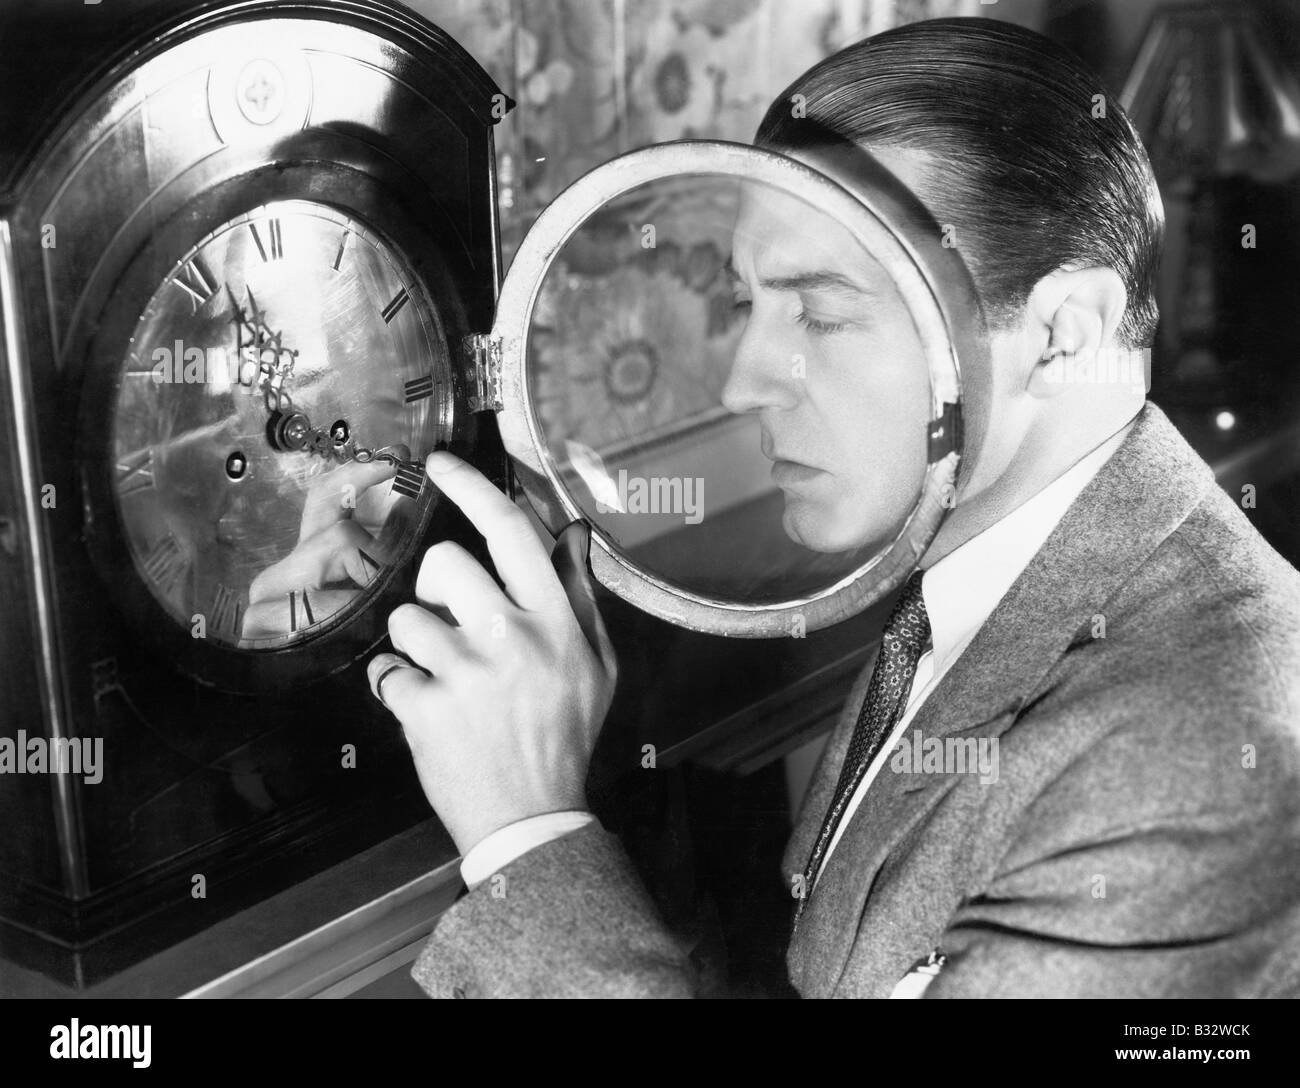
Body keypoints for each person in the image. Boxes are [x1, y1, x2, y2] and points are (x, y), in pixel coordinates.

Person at [365, 18, 1300, 998]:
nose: (739, 381)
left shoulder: (1199, 774)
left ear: (1062, 334)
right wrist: (585, 763)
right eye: (747, 304)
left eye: (819, 310)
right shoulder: (974, 562)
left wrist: (529, 831)